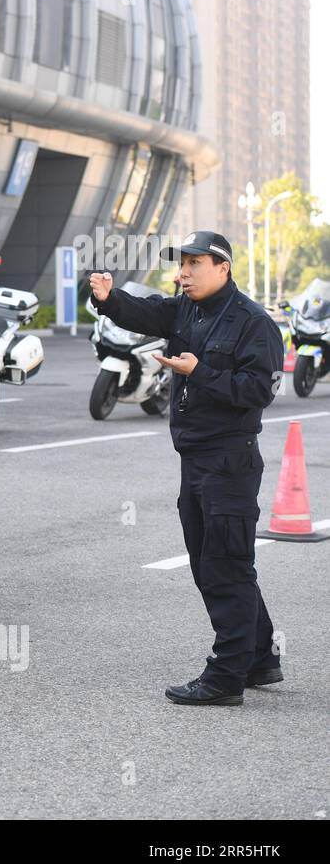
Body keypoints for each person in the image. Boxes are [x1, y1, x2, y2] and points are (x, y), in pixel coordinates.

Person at [90, 230, 285, 706]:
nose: (183, 273)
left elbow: (259, 392)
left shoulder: (253, 324)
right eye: (181, 265)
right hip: (194, 459)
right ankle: (259, 658)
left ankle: (225, 677)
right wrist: (108, 298)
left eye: (194, 264)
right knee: (210, 562)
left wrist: (201, 372)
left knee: (225, 566)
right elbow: (144, 311)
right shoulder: (185, 308)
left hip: (229, 460)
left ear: (223, 268)